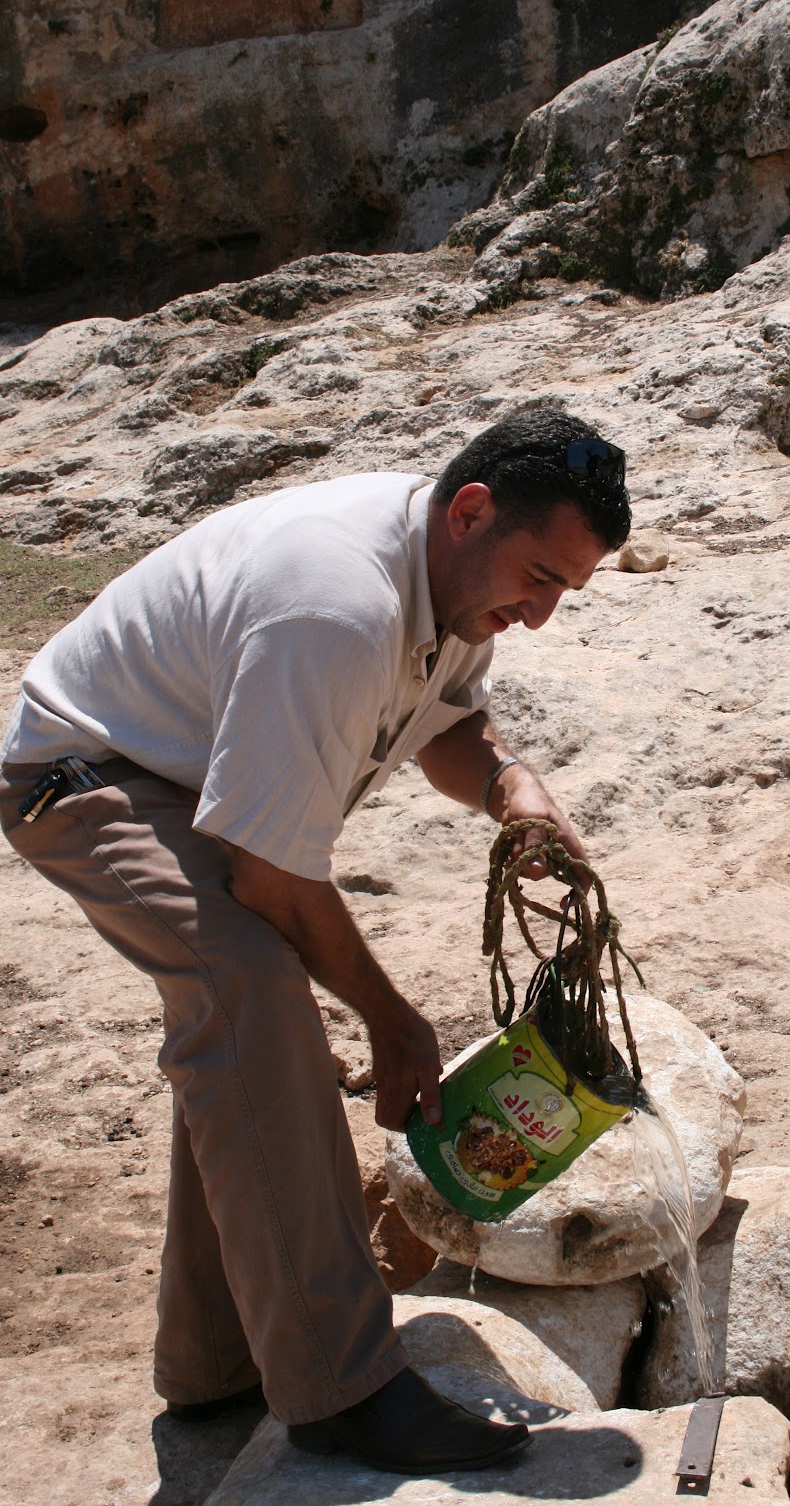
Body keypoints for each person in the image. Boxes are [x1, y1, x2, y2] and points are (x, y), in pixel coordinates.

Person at [0, 408, 631, 1475]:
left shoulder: (451, 574)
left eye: (564, 589)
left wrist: (509, 785)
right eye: (538, 578)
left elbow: (449, 724)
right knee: (245, 984)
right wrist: (392, 1018)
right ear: (471, 511)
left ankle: (219, 1361)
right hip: (89, 774)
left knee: (249, 1030)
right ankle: (343, 1388)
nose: (539, 615)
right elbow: (270, 878)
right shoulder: (334, 603)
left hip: (188, 772)